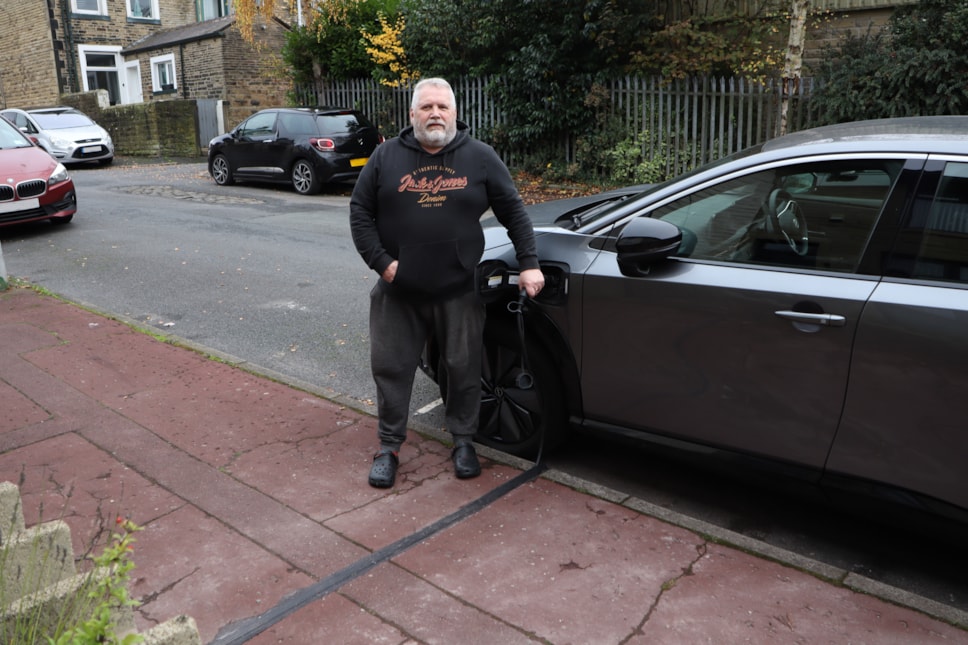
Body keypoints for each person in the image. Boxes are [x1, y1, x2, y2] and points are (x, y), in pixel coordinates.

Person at [349, 78, 545, 488]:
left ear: (454, 113)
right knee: (391, 368)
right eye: (426, 107)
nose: (435, 113)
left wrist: (529, 263)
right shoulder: (386, 157)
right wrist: (384, 265)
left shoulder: (480, 157)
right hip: (399, 291)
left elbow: (514, 211)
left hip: (459, 289)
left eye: (442, 107)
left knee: (462, 367)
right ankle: (389, 447)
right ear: (412, 115)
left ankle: (463, 441)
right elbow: (360, 213)